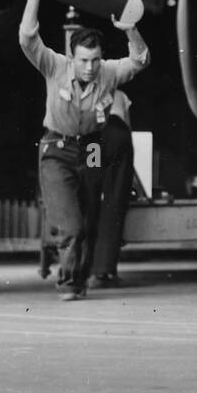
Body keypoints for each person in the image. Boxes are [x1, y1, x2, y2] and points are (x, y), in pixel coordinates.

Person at [19, 0, 149, 301]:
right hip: (57, 149)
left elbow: (140, 59)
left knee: (89, 217)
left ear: (100, 58)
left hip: (91, 148)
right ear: (72, 56)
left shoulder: (107, 73)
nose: (89, 68)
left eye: (94, 60)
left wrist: (130, 29)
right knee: (71, 225)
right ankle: (68, 283)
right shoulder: (55, 66)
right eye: (83, 61)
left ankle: (82, 278)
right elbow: (28, 39)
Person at [85, 90, 136, 288]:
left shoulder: (85, 92)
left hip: (93, 139)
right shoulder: (120, 94)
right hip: (117, 136)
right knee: (114, 199)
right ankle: (103, 271)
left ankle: (84, 269)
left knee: (89, 195)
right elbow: (128, 126)